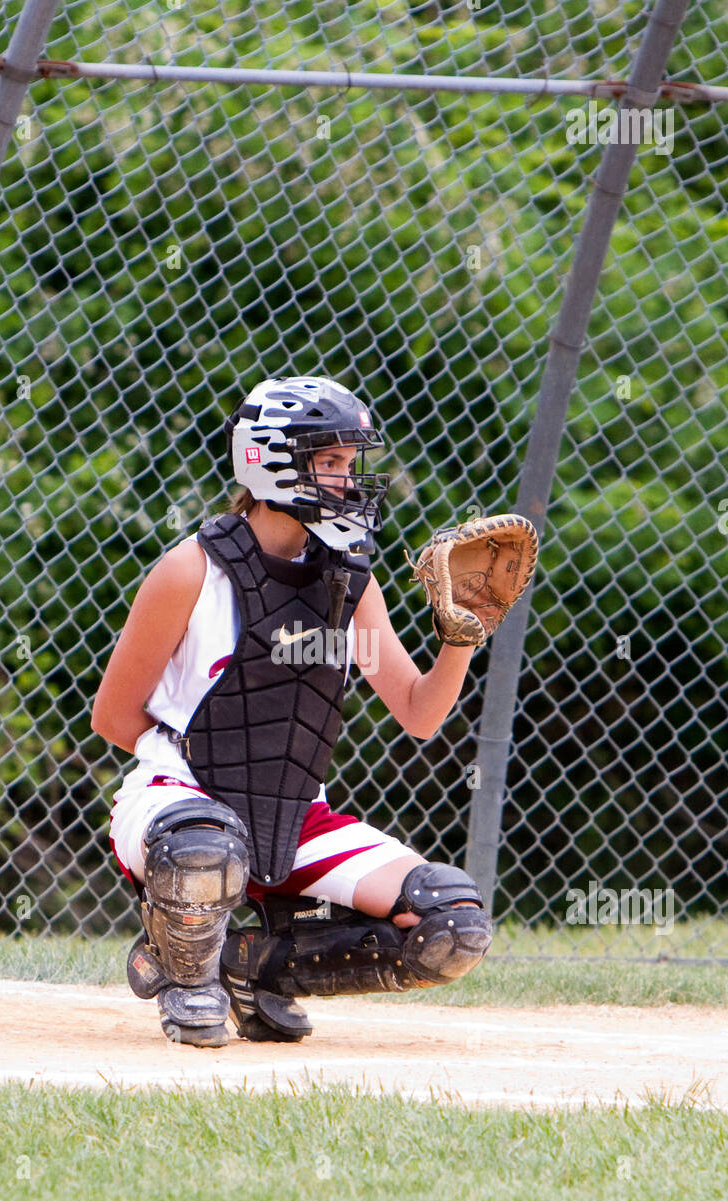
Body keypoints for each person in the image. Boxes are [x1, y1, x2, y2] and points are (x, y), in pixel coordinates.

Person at [91, 375, 494, 1047]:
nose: (346, 480)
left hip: (296, 816)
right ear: (267, 460)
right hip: (174, 800)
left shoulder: (347, 579)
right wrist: (195, 789)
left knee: (450, 924)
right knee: (203, 845)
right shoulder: (191, 571)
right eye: (328, 462)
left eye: (349, 463)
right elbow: (113, 717)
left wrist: (461, 636)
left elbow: (419, 713)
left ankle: (251, 966)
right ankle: (186, 972)